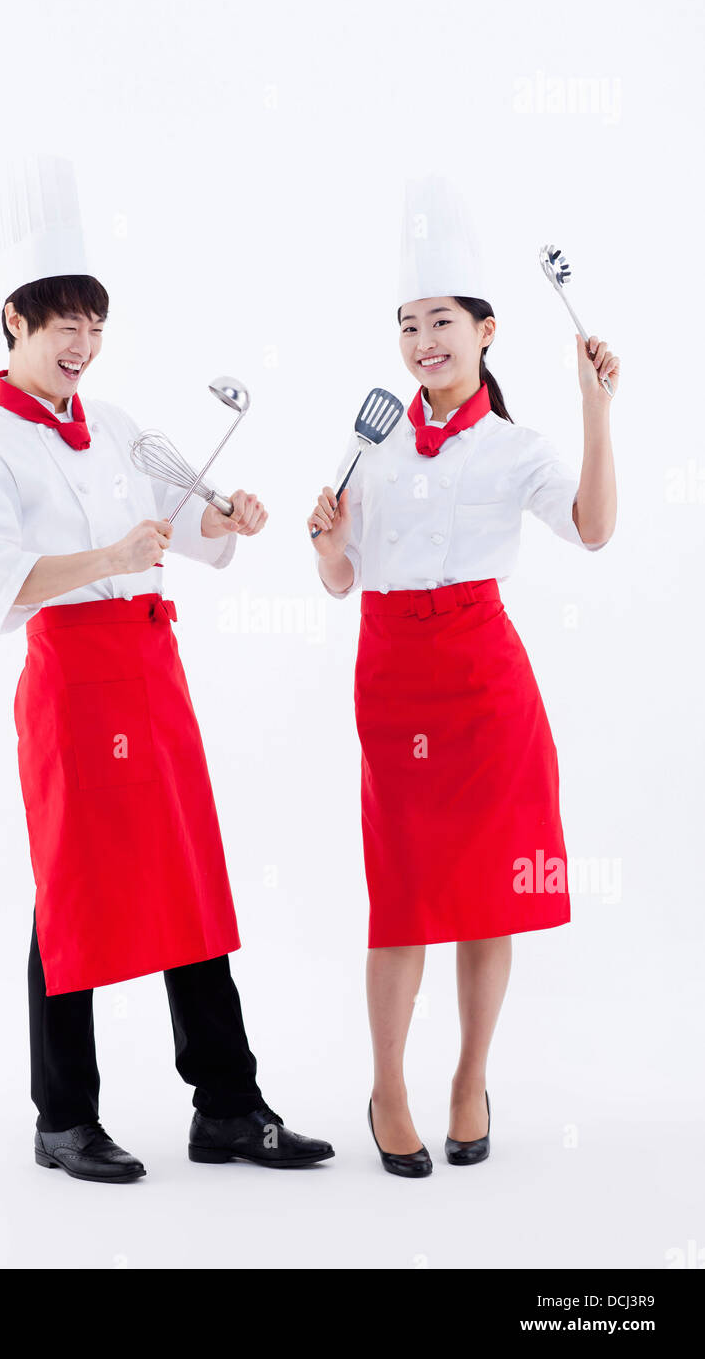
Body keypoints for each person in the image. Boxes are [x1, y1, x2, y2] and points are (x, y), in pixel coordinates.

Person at [0, 156, 334, 1182]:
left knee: (187, 874)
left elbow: (190, 526)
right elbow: (0, 582)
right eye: (61, 322)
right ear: (14, 322)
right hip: (72, 683)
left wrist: (228, 516)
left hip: (152, 675)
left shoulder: (117, 426)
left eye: (94, 324)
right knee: (70, 888)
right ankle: (62, 1117)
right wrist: (108, 559)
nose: (82, 344)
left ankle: (227, 1104)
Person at [307, 174, 617, 1177]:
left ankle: (467, 1078)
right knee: (400, 893)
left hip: (486, 683)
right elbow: (342, 577)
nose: (419, 341)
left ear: (486, 330)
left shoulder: (516, 447)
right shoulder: (372, 442)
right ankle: (386, 1086)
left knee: (488, 895)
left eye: (438, 320)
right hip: (393, 676)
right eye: (406, 324)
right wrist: (324, 545)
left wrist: (593, 407)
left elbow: (592, 529)